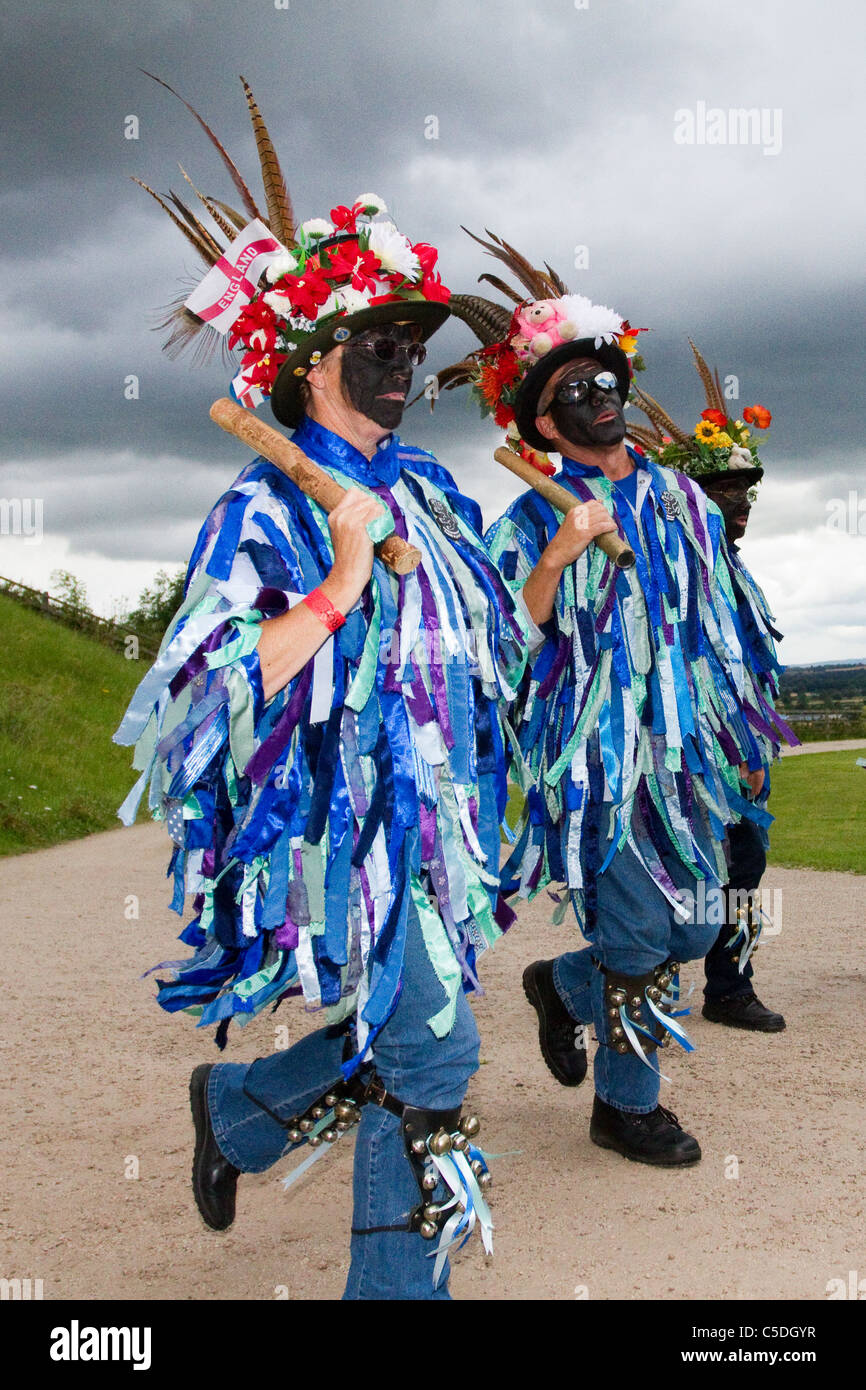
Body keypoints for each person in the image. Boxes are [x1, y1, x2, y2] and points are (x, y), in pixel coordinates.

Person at [116, 88, 538, 1300]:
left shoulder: (434, 495)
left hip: (438, 832)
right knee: (434, 1052)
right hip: (333, 834)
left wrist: (548, 572)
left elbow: (499, 649)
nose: (407, 362)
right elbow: (201, 702)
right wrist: (341, 580)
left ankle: (244, 1112)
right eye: (381, 342)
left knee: (406, 1041)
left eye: (416, 344)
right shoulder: (261, 509)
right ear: (306, 363)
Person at [439, 244, 791, 1165]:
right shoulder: (525, 521)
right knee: (640, 939)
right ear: (544, 427)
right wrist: (559, 552)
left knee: (698, 925)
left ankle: (563, 983)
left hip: (690, 761)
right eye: (571, 391)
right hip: (598, 761)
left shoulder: (684, 499)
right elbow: (510, 642)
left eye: (605, 378)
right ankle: (626, 1107)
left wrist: (743, 724)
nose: (597, 395)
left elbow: (726, 619)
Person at [629, 349, 796, 1031]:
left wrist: (754, 741)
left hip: (739, 756)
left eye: (748, 493)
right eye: (729, 493)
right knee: (668, 872)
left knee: (744, 874)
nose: (743, 505)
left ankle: (731, 986)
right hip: (678, 755)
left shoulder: (736, 572)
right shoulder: (669, 572)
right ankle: (640, 987)